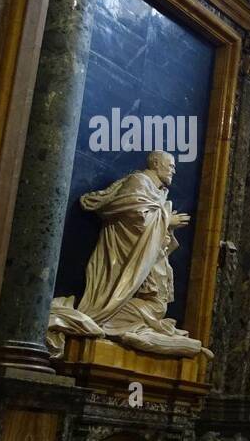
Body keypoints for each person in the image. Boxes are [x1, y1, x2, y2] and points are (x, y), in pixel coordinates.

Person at [48, 151, 211, 359]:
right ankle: (104, 321)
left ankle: (125, 327)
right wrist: (166, 220)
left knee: (157, 306)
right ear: (155, 163)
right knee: (153, 306)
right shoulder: (139, 181)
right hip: (125, 256)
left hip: (147, 253)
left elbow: (147, 215)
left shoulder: (156, 190)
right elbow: (133, 214)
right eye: (170, 165)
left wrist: (164, 223)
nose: (174, 170)